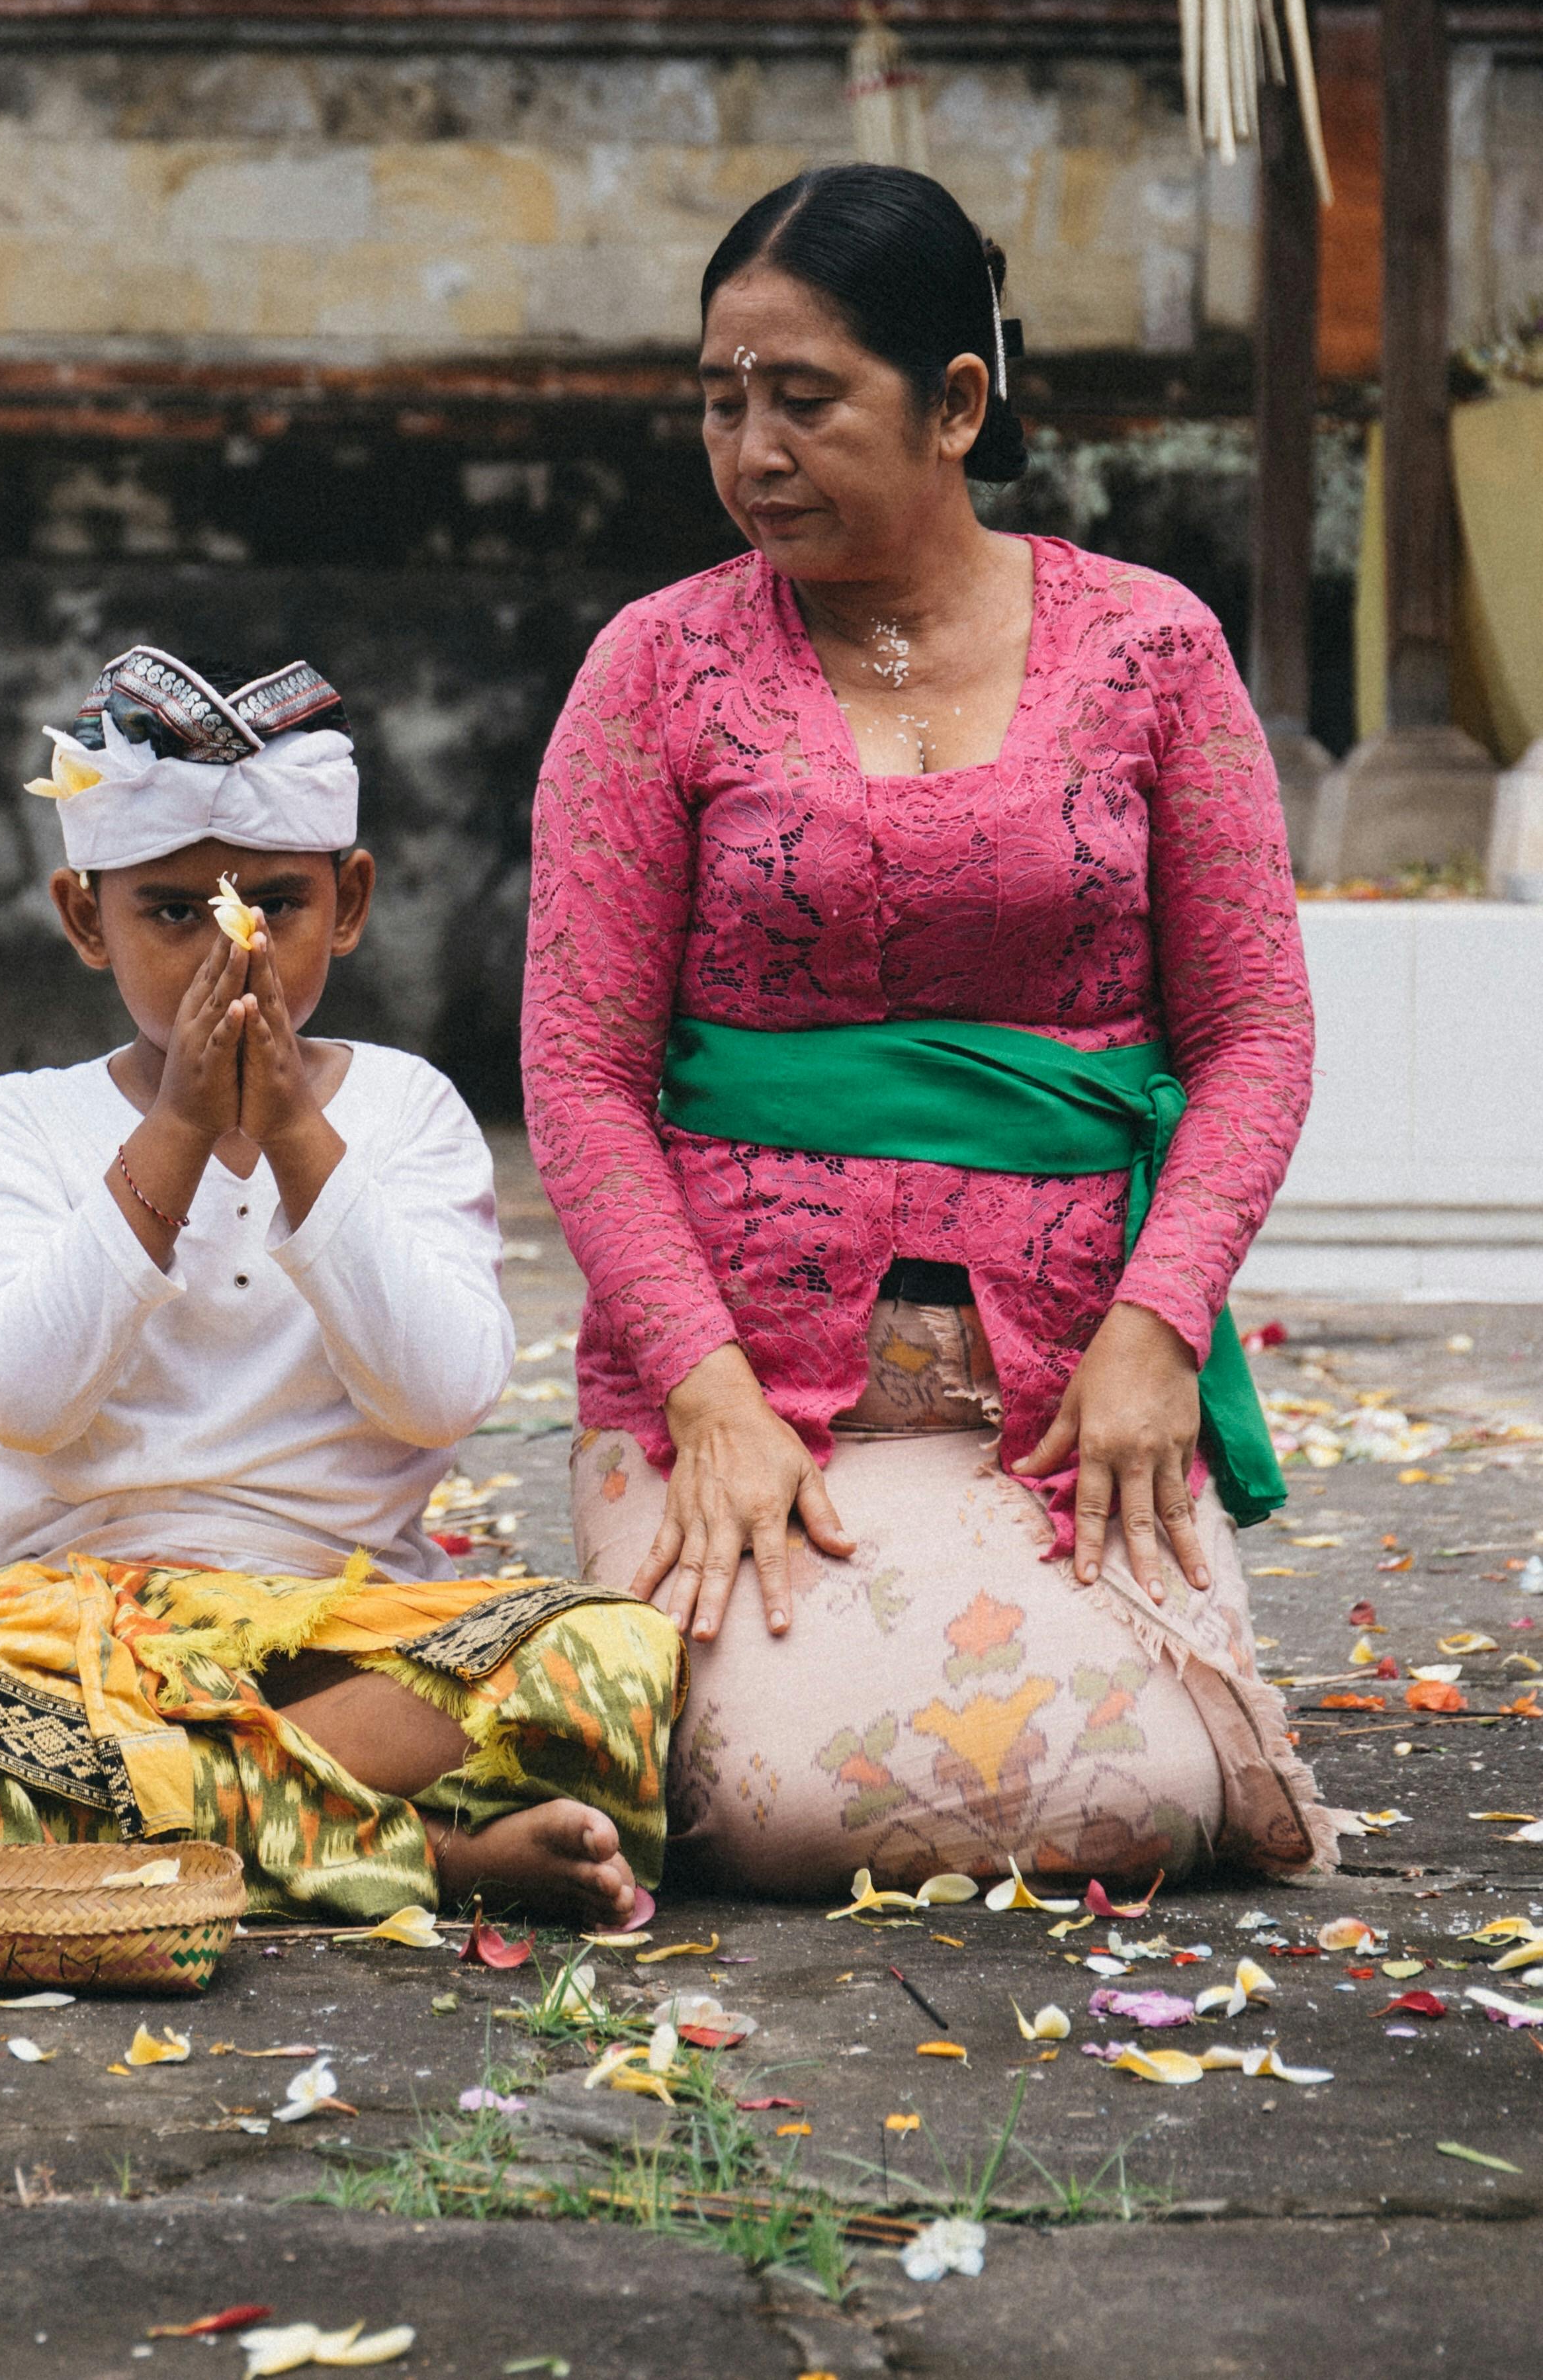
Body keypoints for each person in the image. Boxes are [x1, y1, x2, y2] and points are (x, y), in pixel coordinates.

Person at [523, 165, 1331, 1898]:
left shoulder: (1153, 650)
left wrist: (1150, 1333)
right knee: (791, 1803)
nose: (749, 448)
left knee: (1135, 1791)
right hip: (749, 1398)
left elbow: (1252, 1030)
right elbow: (578, 1077)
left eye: (801, 398)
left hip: (1061, 1391)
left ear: (953, 400)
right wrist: (705, 1391)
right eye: (718, 400)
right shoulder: (651, 669)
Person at [0, 646, 679, 1923]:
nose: (234, 951)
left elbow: (443, 1391)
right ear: (82, 917)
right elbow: (14, 1399)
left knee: (602, 1652)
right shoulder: (22, 1121)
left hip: (339, 1644)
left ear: (348, 903)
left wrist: (293, 1135)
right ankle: (415, 1851)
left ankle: (142, 1815)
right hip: (76, 1629)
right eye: (173, 913)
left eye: (272, 907)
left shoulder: (408, 1110)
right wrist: (174, 1129)